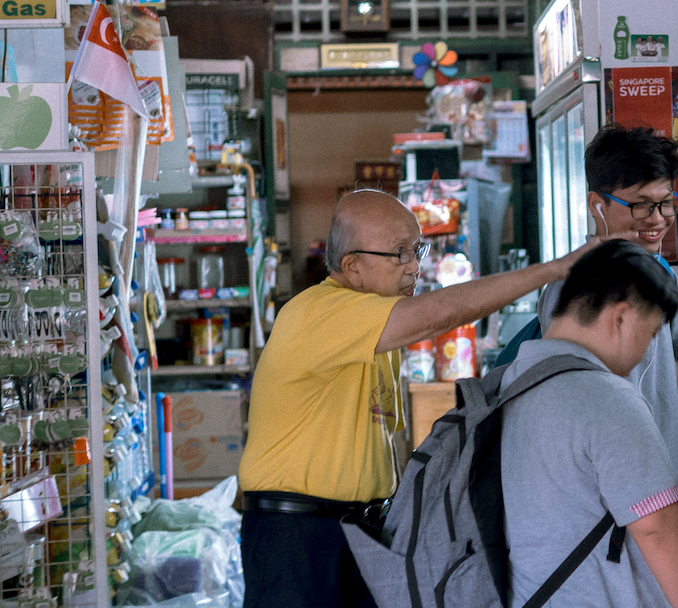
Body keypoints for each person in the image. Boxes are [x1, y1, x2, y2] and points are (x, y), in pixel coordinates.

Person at [238, 189, 606, 608]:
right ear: (352, 266)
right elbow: (441, 314)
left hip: (359, 530)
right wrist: (556, 269)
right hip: (296, 537)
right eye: (400, 253)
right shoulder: (317, 313)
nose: (414, 265)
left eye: (417, 250)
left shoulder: (376, 328)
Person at [499, 125, 678, 511]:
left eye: (666, 203)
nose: (657, 219)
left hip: (656, 490)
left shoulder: (661, 275)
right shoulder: (574, 286)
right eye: (640, 205)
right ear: (597, 204)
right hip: (603, 503)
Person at [500, 240, 678, 608]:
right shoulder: (608, 398)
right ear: (621, 317)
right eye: (650, 335)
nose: (646, 352)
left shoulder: (510, 383)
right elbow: (658, 529)